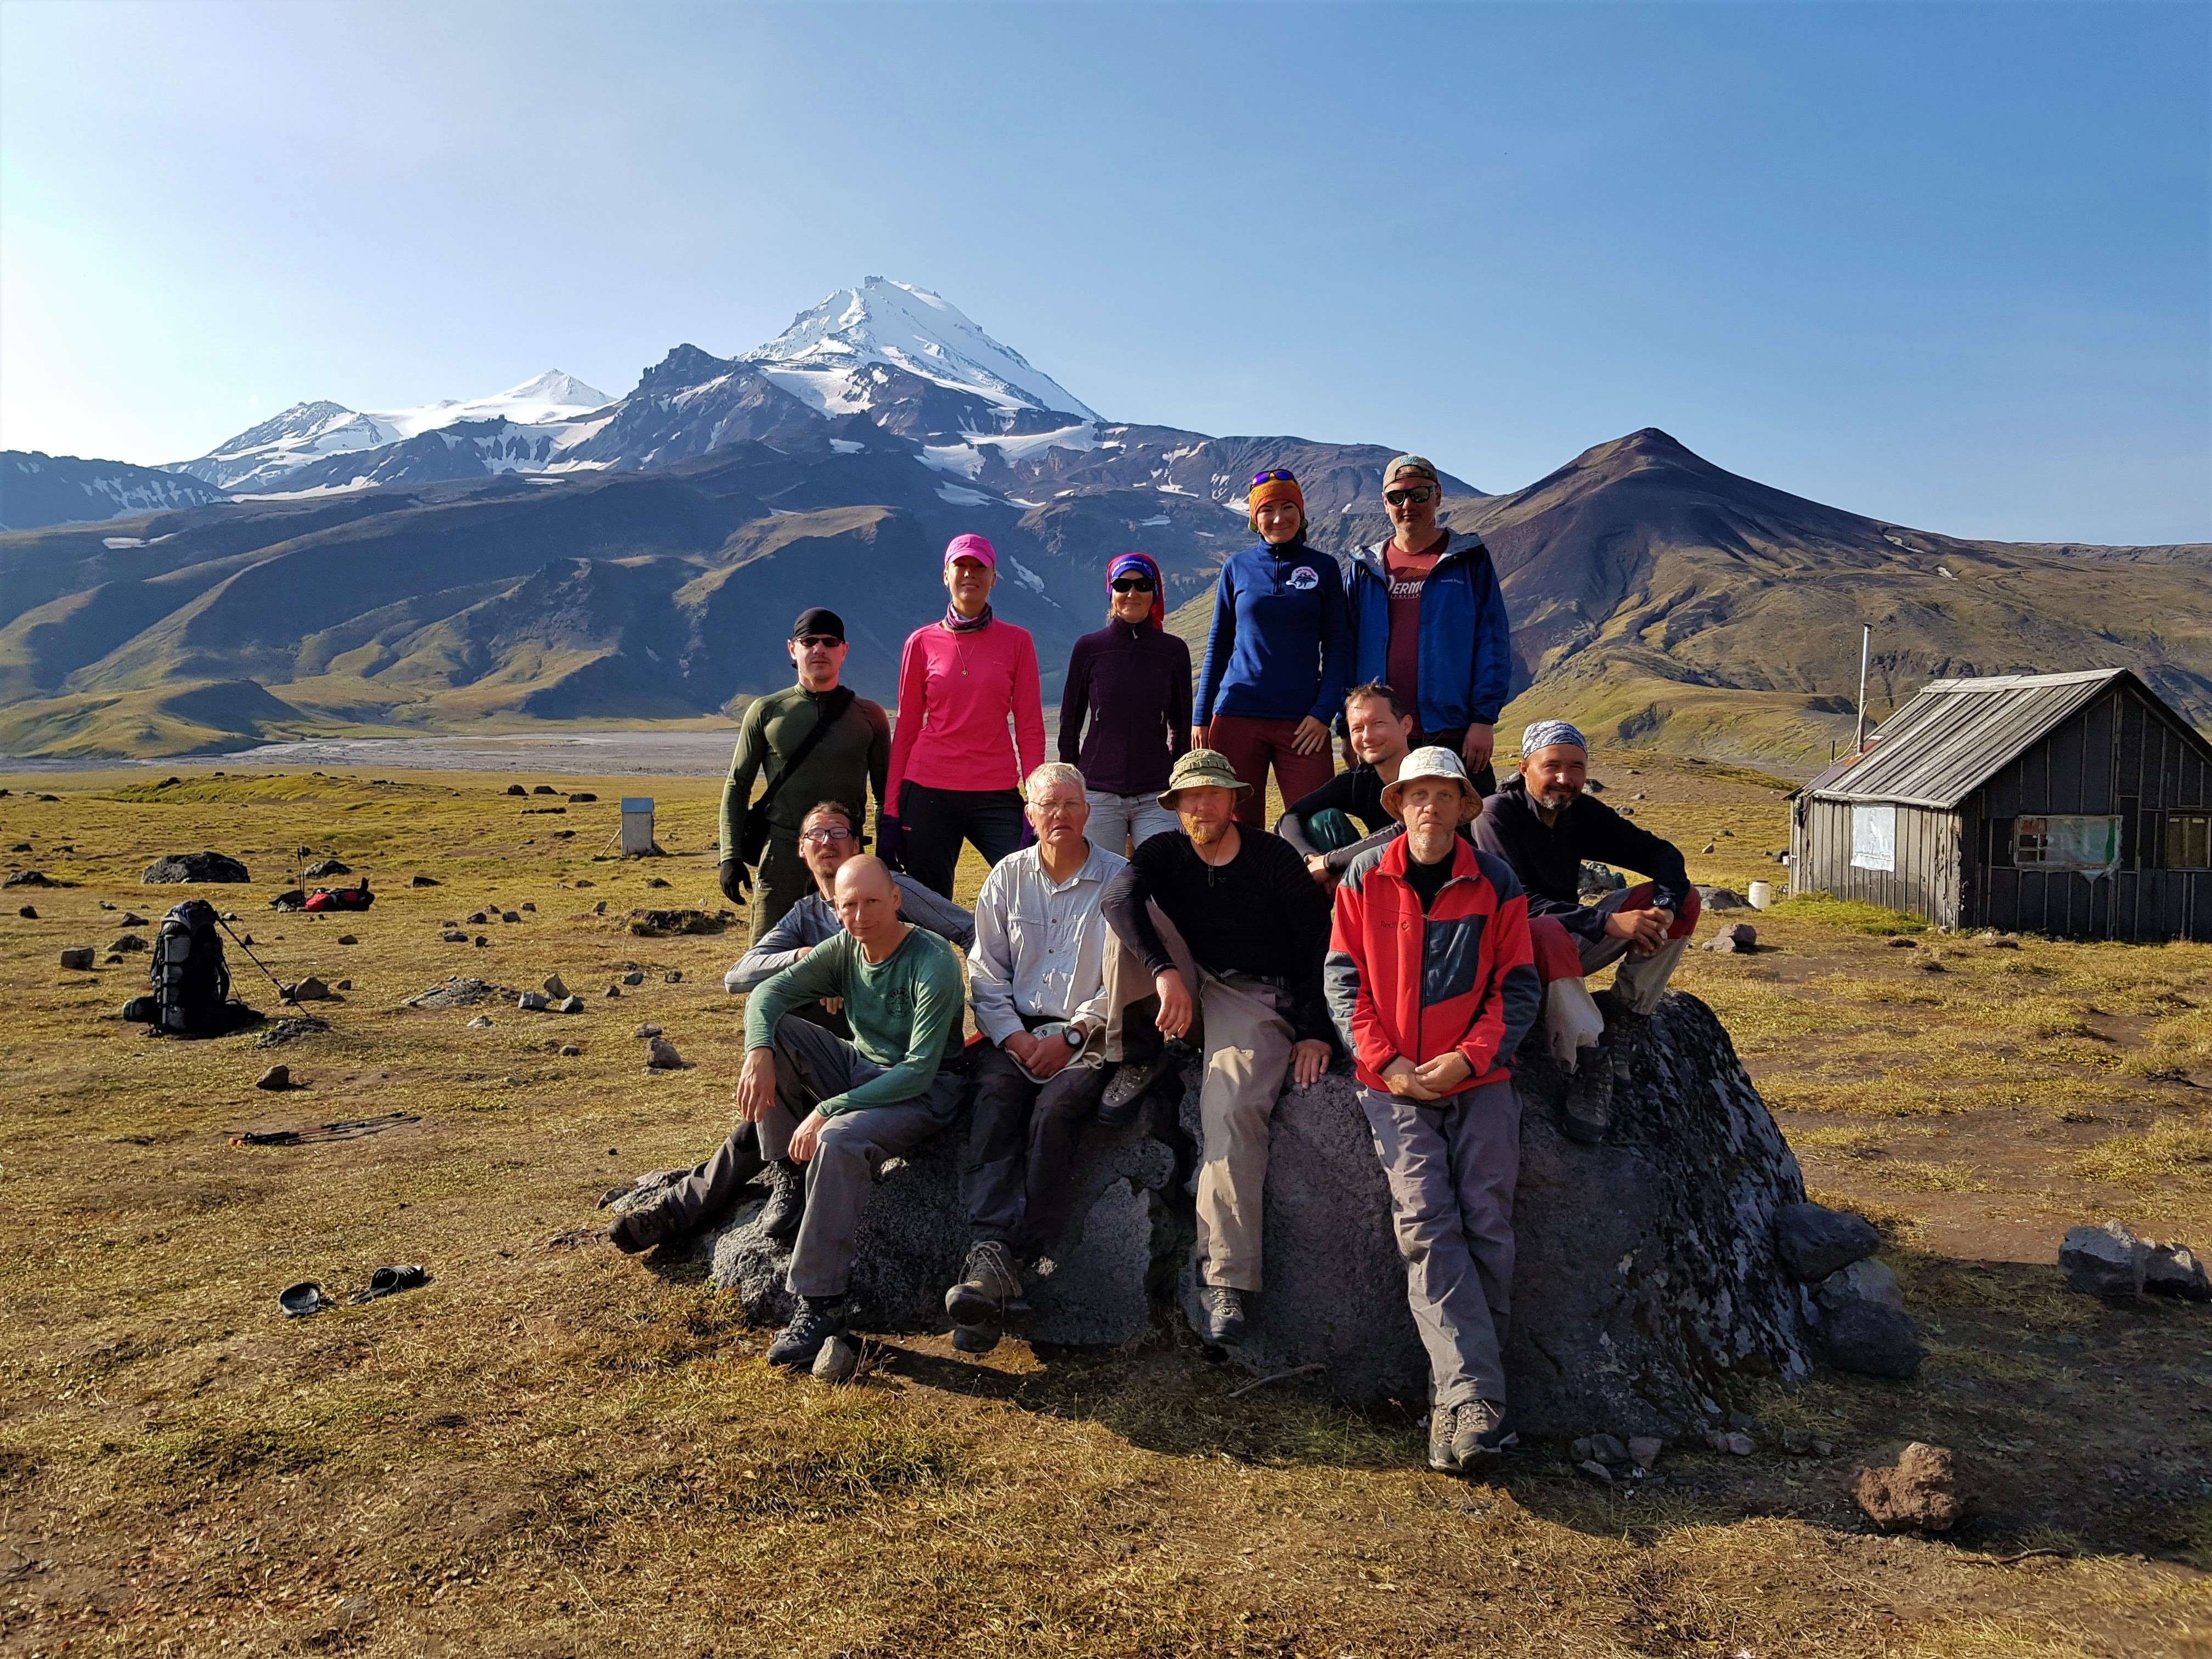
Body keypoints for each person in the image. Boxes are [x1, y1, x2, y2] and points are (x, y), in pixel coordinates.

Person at [611, 857, 968, 1370]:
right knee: (776, 1032)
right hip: (861, 1067)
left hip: (924, 1090)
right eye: (849, 905)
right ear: (836, 909)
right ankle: (788, 1174)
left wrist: (830, 1107)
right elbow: (766, 993)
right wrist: (758, 1051)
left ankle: (821, 1303)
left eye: (872, 902)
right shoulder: (846, 946)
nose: (861, 916)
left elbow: (917, 1071)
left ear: (896, 900)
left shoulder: (931, 959)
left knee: (838, 1139)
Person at [1323, 747, 1540, 1473]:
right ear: (1399, 805)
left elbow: (1517, 987)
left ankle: (1463, 1401)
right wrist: (1389, 1062)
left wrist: (1468, 1059)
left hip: (1478, 1082)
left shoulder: (1497, 883)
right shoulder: (1363, 877)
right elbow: (1344, 980)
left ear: (1463, 806)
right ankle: (1477, 1397)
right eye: (1417, 795)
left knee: (1488, 1221)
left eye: (1444, 795)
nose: (1430, 808)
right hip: (1392, 1086)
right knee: (1427, 1223)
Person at [1099, 749, 1335, 1344]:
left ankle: (1227, 1277)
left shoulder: (1272, 859)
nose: (1200, 806)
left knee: (1229, 1109)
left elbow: (1319, 945)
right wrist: (1164, 971)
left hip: (1253, 994)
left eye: (1212, 794)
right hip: (1189, 978)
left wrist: (1313, 1030)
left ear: (1235, 801)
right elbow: (1116, 900)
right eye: (1189, 797)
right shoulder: (1166, 852)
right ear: (1176, 808)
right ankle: (1137, 1053)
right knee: (1124, 914)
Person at [944, 762, 1128, 1353]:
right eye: (1048, 806)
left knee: (1056, 1115)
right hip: (1016, 1032)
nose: (1061, 816)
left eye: (1072, 805)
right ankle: (990, 1248)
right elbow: (986, 973)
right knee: (996, 1100)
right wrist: (1015, 1039)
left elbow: (1122, 979)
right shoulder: (1006, 878)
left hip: (1088, 1038)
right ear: (1030, 814)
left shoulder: (1119, 881)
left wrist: (1073, 1037)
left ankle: (1020, 1255)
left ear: (1088, 811)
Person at [1473, 720, 1701, 1143]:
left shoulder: (1579, 813)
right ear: (1524, 768)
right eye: (1552, 766)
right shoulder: (1495, 815)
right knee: (1543, 928)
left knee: (1685, 900)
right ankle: (1586, 1060)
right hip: (1508, 957)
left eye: (1576, 767)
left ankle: (1625, 1016)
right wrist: (1606, 922)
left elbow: (1660, 852)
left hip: (1567, 941)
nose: (1565, 778)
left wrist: (1666, 910)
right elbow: (1516, 901)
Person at [725, 795, 974, 1050]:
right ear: (802, 848)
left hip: (909, 1042)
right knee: (770, 1020)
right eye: (816, 834)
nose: (827, 840)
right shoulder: (804, 914)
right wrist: (813, 963)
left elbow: (969, 929)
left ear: (856, 845)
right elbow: (736, 977)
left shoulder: (890, 887)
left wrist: (988, 1006)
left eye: (838, 832)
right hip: (846, 1049)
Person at [881, 533, 1047, 899]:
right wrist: (890, 811)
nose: (970, 574)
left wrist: (1036, 801)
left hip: (995, 787)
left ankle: (1008, 957)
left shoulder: (1018, 641)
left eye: (979, 567)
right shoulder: (920, 643)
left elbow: (1031, 728)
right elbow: (907, 729)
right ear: (946, 575)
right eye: (961, 566)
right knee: (929, 901)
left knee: (1030, 886)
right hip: (928, 788)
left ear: (993, 578)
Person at [718, 607, 891, 941]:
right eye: (809, 641)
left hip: (846, 854)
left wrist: (885, 857)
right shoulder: (766, 712)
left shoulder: (869, 716)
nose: (819, 649)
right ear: (792, 649)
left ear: (844, 650)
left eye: (829, 642)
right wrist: (730, 856)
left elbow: (885, 796)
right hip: (783, 854)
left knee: (854, 955)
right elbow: (737, 786)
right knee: (767, 960)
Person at [1193, 469, 1351, 827]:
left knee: (1318, 826)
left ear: (1301, 511)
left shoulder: (1324, 568)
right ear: (1254, 517)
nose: (1278, 518)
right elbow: (1218, 646)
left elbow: (1339, 647)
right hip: (1236, 716)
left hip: (1303, 723)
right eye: (1267, 509)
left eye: (1287, 506)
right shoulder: (1236, 568)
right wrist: (1201, 717)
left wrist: (1324, 712)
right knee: (1235, 828)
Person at [1346, 455, 1511, 797]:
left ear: (1437, 496)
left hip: (1452, 731)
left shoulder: (1469, 559)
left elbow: (1492, 641)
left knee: (1468, 833)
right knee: (1389, 841)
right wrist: (1346, 728)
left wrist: (1484, 719)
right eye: (1397, 497)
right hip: (1383, 736)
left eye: (1419, 495)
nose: (1408, 505)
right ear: (1385, 503)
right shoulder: (1364, 566)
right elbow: (1344, 647)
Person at [1058, 551, 1190, 854]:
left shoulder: (1173, 651)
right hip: (1097, 791)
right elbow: (1071, 720)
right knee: (1101, 883)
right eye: (1123, 585)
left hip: (1158, 791)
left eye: (1143, 585)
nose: (1133, 593)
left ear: (1154, 594)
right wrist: (1070, 780)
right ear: (1111, 593)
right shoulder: (1088, 648)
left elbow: (1181, 724)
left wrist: (1178, 780)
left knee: (1161, 879)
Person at [1274, 681, 1419, 887]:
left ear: (1406, 725)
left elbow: (1406, 830)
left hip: (1436, 876)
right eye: (1358, 729)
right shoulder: (1359, 780)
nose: (1367, 737)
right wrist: (1310, 859)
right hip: (1378, 872)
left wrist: (1329, 862)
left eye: (1378, 724)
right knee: (1322, 821)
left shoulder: (1426, 770)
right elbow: (1290, 817)